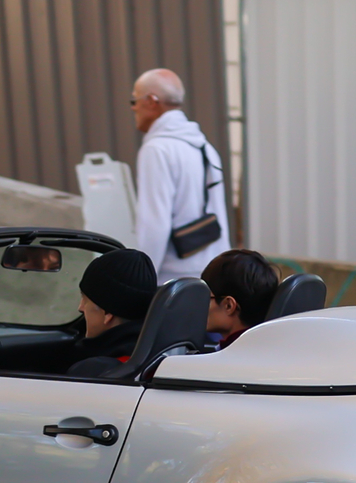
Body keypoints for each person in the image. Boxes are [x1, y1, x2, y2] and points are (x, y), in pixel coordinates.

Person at [127, 67, 231, 282]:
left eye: (134, 101)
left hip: (173, 278)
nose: (133, 108)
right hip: (212, 272)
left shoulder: (157, 150)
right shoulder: (203, 145)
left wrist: (142, 278)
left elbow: (154, 223)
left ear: (151, 101)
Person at [63, 248, 157, 377]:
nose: (81, 307)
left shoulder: (94, 370)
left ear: (107, 314)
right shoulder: (157, 357)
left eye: (85, 300)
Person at [201, 248, 278, 343]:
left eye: (205, 298)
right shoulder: (270, 345)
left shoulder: (230, 356)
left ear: (228, 306)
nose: (199, 305)